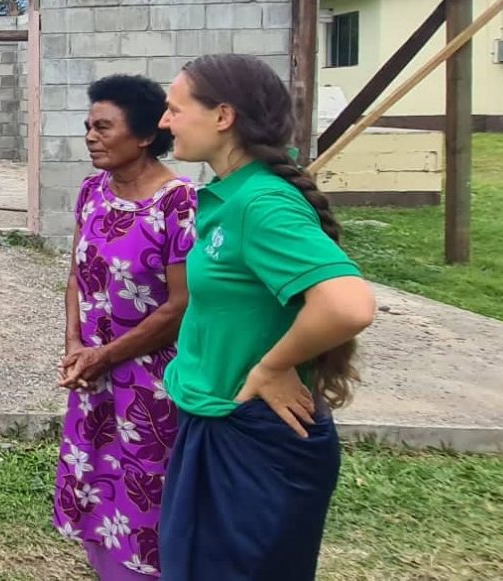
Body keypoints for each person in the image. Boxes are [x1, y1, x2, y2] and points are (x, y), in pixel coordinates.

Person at [156, 54, 377, 579]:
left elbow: (348, 304)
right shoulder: (230, 197)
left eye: (174, 109)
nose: (165, 122)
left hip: (252, 437)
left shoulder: (262, 203)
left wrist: (274, 367)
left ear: (223, 116)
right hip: (216, 422)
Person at [53, 74, 195, 579]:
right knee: (97, 480)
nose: (91, 137)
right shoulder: (93, 191)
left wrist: (106, 355)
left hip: (150, 386)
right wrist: (75, 344)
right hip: (92, 374)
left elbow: (180, 306)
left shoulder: (178, 203)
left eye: (103, 127)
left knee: (143, 487)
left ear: (143, 135)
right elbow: (76, 274)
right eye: (88, 126)